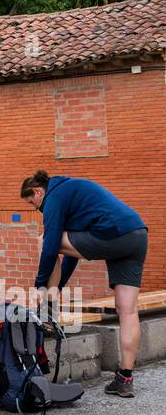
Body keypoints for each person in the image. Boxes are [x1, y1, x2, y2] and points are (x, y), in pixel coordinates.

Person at [20, 170, 148, 398]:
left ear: (38, 192)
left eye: (34, 204)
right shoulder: (72, 192)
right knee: (127, 310)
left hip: (114, 234)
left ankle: (48, 310)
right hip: (136, 234)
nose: (37, 209)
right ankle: (125, 379)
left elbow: (51, 247)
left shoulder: (54, 198)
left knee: (44, 240)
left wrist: (40, 286)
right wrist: (57, 287)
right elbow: (72, 255)